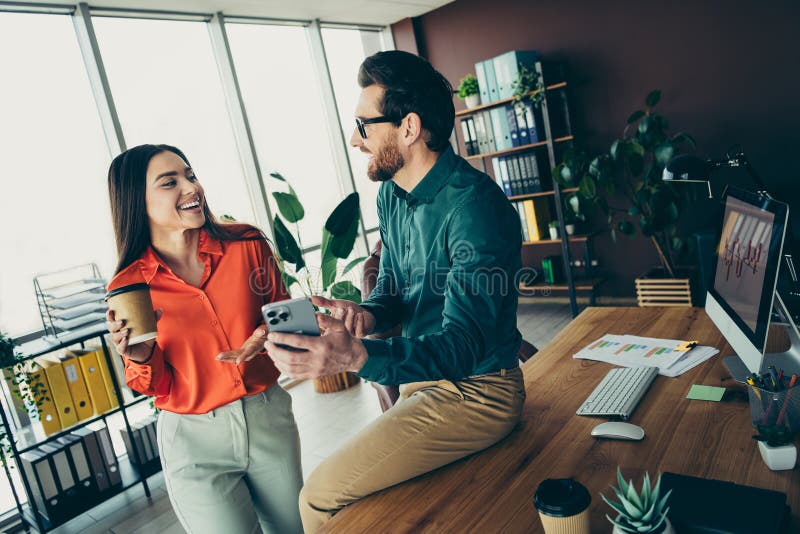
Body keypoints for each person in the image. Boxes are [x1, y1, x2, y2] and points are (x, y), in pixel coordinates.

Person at [264, 50, 526, 532]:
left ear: (408, 127)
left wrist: (354, 356)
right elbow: (392, 291)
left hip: (477, 391)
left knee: (318, 498)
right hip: (425, 385)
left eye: (363, 126)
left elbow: (464, 347)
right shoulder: (391, 195)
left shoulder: (476, 208)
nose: (355, 139)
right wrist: (364, 316)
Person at [105, 144, 302, 534]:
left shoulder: (246, 244)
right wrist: (142, 356)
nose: (191, 187)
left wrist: (263, 335)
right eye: (169, 182)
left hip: (267, 417)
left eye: (190, 175)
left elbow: (288, 316)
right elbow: (153, 386)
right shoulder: (129, 285)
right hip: (193, 441)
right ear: (137, 201)